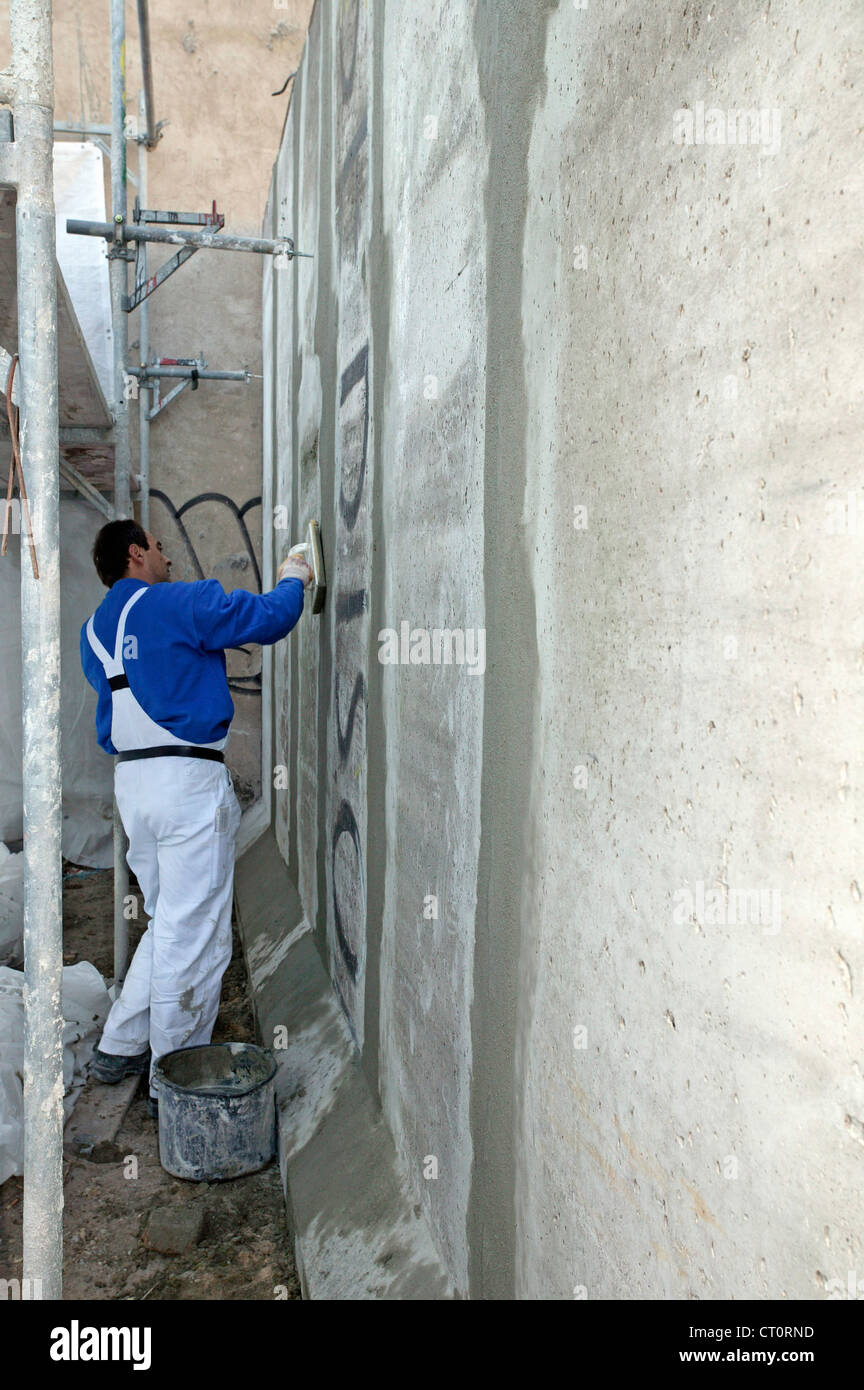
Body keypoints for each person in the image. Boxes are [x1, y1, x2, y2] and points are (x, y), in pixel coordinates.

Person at [80, 518, 311, 1118]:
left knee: (167, 919)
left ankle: (119, 1045)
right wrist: (295, 577)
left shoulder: (93, 632)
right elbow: (267, 619)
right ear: (137, 553)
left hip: (134, 786)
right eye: (158, 546)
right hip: (185, 781)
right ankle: (173, 1078)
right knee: (197, 935)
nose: (167, 556)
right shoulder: (177, 602)